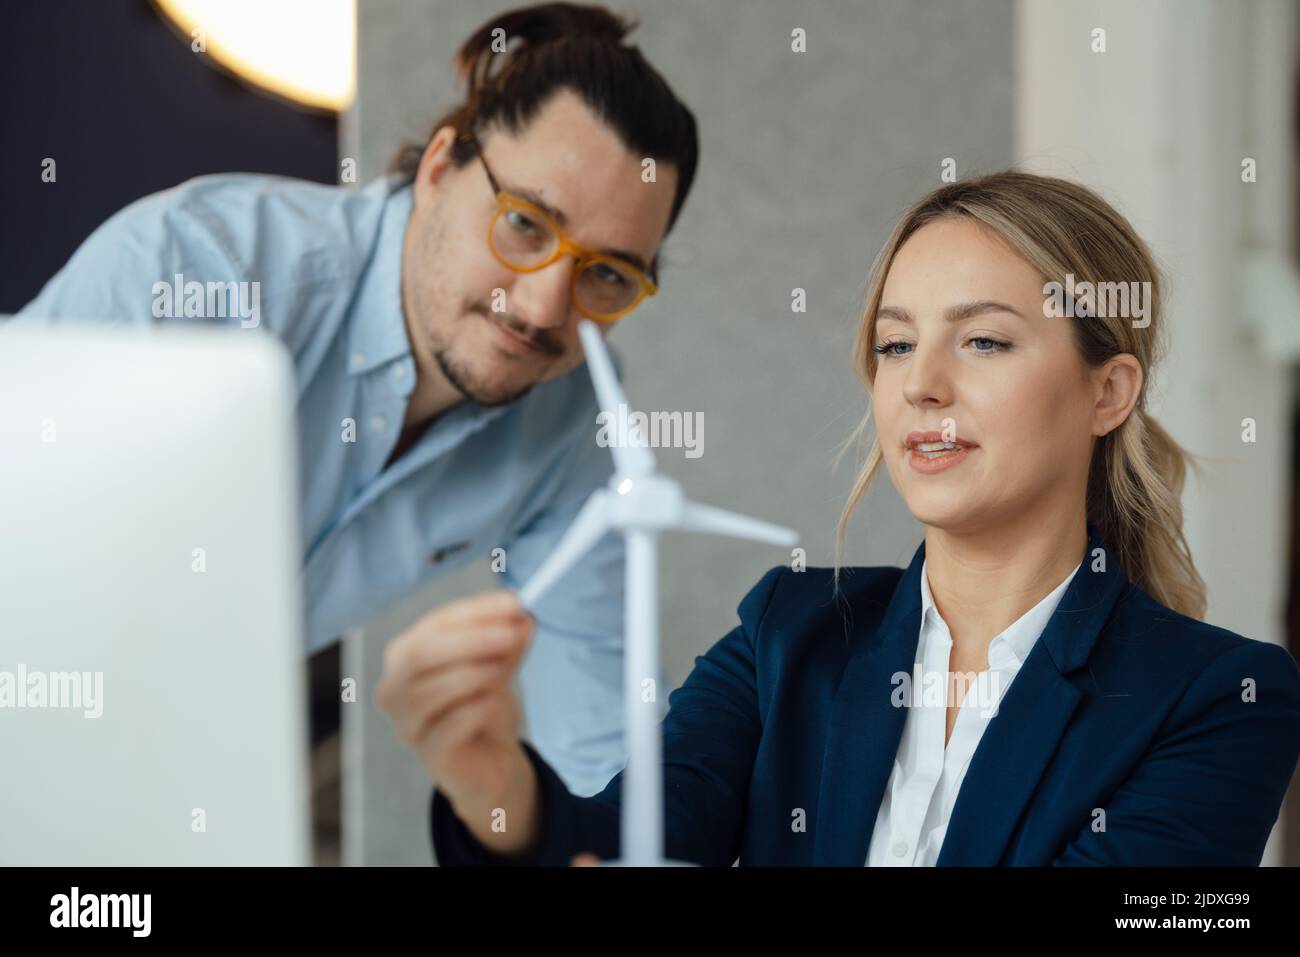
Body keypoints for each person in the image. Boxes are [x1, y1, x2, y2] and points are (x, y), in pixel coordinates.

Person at [377, 171, 1300, 866]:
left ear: (1109, 391)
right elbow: (626, 841)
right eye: (896, 343)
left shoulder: (1227, 698)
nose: (922, 383)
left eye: (982, 340)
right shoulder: (788, 633)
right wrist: (494, 783)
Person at [8, 2, 699, 800]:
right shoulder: (199, 268)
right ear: (440, 167)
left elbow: (607, 742)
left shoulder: (570, 424)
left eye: (607, 274)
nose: (547, 305)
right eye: (524, 223)